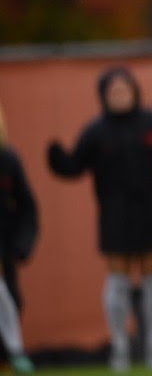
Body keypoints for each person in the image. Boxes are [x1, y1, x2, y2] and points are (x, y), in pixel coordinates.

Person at [47, 67, 152, 372]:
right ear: (103, 96)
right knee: (118, 278)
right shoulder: (96, 132)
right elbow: (74, 165)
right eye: (113, 91)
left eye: (124, 90)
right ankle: (119, 347)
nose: (119, 95)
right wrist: (57, 159)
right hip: (115, 214)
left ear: (135, 91)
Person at [0, 106, 35, 373]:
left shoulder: (8, 160)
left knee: (7, 298)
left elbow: (28, 207)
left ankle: (12, 352)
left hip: (5, 246)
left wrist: (23, 244)